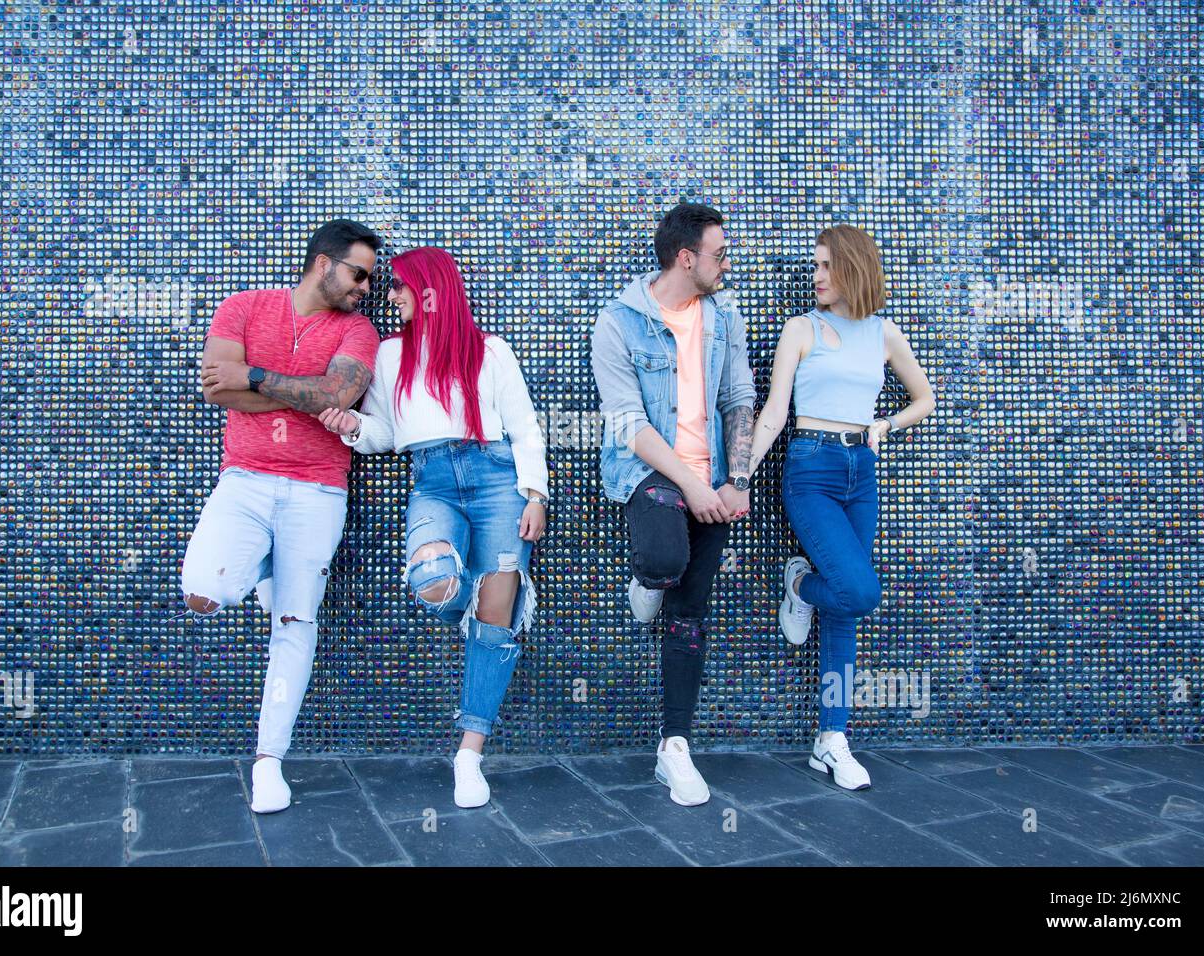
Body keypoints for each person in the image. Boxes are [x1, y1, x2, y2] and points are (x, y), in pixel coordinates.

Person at [319, 246, 549, 809]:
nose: (390, 295)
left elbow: (524, 428)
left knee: (496, 620)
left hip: (498, 480)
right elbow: (383, 433)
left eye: (399, 286)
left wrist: (536, 495)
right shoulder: (392, 356)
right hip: (434, 484)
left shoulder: (490, 351)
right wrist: (351, 425)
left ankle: (469, 755)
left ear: (430, 290)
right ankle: (486, 598)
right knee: (434, 581)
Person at [183, 219, 382, 813]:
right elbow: (217, 388)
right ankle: (264, 561)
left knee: (295, 626)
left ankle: (269, 761)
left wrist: (258, 377)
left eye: (370, 279)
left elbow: (338, 396)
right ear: (323, 263)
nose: (366, 287)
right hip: (244, 482)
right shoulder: (242, 308)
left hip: (317, 492)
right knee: (202, 591)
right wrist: (301, 391)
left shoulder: (359, 332)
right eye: (358, 273)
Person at [746, 224, 935, 790]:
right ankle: (800, 584)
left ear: (854, 267)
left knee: (846, 610)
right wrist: (741, 476)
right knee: (858, 589)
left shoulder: (883, 333)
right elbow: (774, 411)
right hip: (811, 470)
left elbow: (925, 397)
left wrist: (886, 423)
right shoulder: (802, 328)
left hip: (861, 471)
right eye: (816, 265)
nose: (818, 275)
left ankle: (832, 740)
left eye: (827, 265)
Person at [590, 203, 756, 806]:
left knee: (690, 611)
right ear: (686, 257)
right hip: (652, 471)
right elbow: (630, 425)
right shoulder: (619, 322)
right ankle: (649, 576)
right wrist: (692, 483)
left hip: (715, 481)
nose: (726, 262)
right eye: (719, 252)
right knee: (663, 558)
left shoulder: (724, 314)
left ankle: (675, 748)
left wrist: (736, 479)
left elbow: (739, 397)